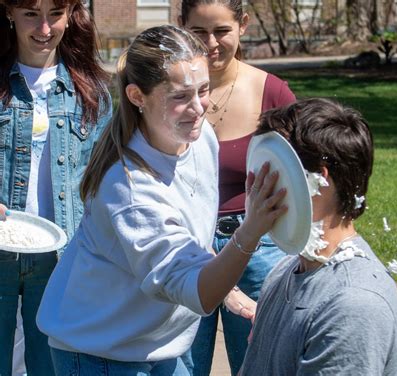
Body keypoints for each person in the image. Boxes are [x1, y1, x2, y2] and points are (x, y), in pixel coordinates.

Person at [36, 25, 287, 375]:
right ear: (138, 96)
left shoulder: (200, 139)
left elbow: (190, 239)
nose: (199, 107)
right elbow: (198, 293)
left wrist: (234, 295)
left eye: (203, 89)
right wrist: (250, 231)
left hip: (153, 342)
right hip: (99, 351)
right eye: (181, 96)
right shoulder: (129, 188)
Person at [239, 98, 397, 375]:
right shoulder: (287, 269)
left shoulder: (352, 306)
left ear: (319, 181)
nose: (255, 185)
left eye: (271, 173)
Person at [179, 1, 296, 373]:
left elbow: (303, 178)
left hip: (258, 249)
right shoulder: (166, 93)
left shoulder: (273, 94)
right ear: (182, 27)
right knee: (180, 363)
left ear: (242, 25)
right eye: (198, 31)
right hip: (184, 246)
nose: (210, 43)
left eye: (222, 31)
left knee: (257, 363)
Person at [0, 0, 111, 374]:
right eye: (31, 14)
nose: (44, 29)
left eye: (55, 14)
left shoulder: (93, 91)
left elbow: (107, 182)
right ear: (9, 12)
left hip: (61, 259)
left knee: (52, 367)